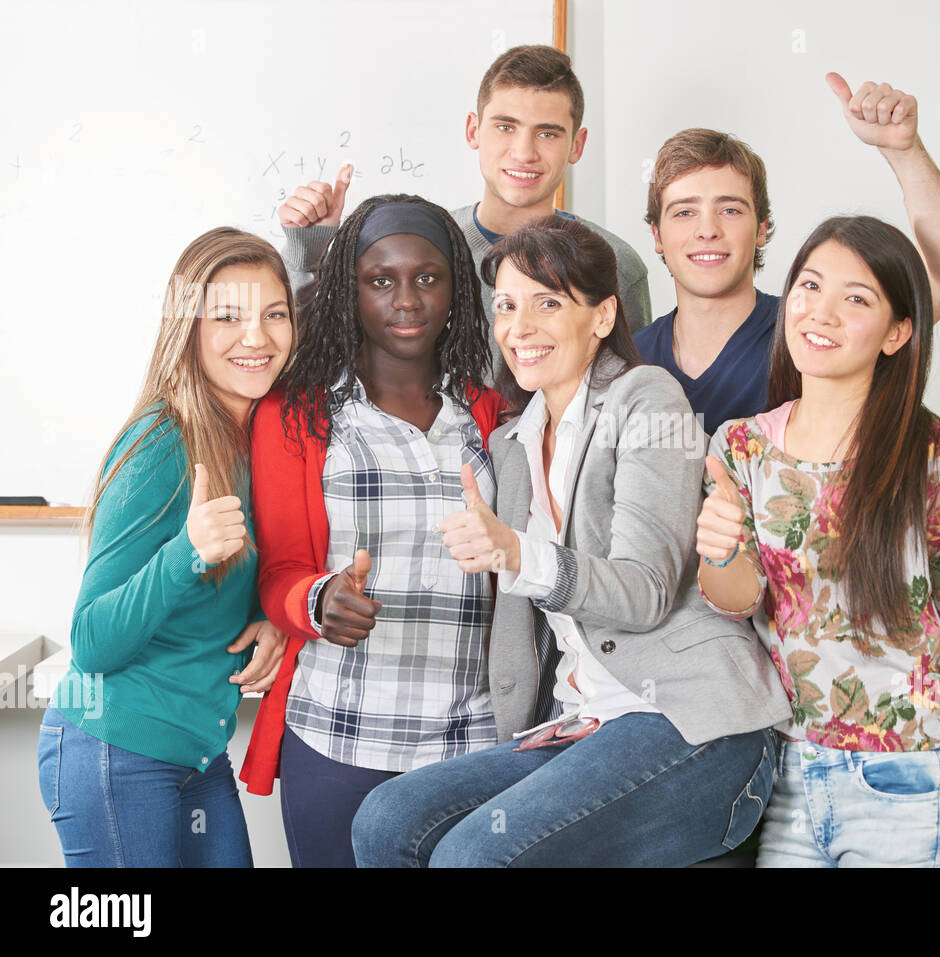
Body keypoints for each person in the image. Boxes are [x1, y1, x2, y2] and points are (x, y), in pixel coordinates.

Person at [350, 216, 791, 867]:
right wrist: (519, 760)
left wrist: (515, 553)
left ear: (604, 314)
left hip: (699, 725)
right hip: (587, 727)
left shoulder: (648, 401)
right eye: (506, 305)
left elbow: (642, 591)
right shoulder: (511, 445)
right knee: (385, 820)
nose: (519, 327)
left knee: (474, 855)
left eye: (547, 302)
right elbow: (514, 635)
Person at [695, 215, 940, 867]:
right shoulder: (741, 445)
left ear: (898, 332)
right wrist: (719, 546)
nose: (822, 312)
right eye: (809, 286)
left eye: (857, 299)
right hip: (784, 778)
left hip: (911, 781)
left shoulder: (933, 453)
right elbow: (738, 601)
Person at [239, 194, 506, 867]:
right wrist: (319, 598)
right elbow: (277, 572)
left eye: (428, 277)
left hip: (473, 741)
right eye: (380, 280)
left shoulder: (491, 409)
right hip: (340, 736)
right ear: (347, 292)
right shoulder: (294, 414)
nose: (407, 299)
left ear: (456, 289)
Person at [37, 228, 293, 867]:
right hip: (114, 751)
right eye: (228, 317)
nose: (256, 337)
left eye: (275, 314)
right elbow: (92, 640)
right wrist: (188, 551)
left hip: (196, 755)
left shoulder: (262, 438)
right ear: (188, 328)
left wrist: (270, 619)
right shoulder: (163, 442)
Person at [637, 75, 940, 435]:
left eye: (730, 210)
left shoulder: (816, 329)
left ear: (761, 228)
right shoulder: (628, 360)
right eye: (683, 212)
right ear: (656, 234)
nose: (707, 230)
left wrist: (905, 152)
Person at [277, 44, 652, 378]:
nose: (523, 152)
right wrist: (306, 253)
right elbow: (310, 359)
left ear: (577, 144)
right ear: (473, 130)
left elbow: (628, 401)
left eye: (548, 133)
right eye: (506, 126)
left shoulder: (615, 264)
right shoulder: (418, 249)